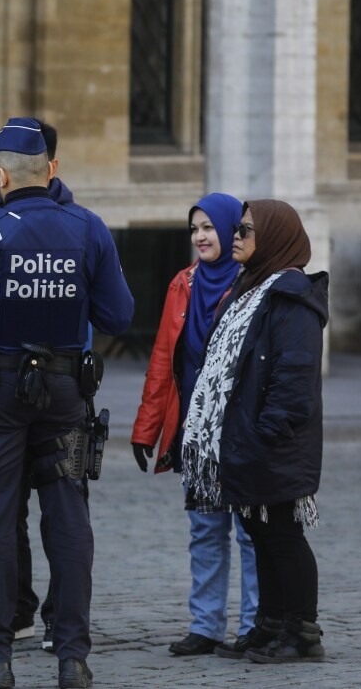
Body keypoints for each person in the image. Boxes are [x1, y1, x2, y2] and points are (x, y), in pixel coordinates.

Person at [0, 118, 134, 689]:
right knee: (68, 517)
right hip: (66, 392)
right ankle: (72, 657)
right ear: (51, 170)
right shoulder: (88, 228)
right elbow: (118, 315)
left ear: (0, 175)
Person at [181, 199, 328, 664]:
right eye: (238, 228)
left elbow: (295, 374)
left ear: (274, 238)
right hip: (245, 439)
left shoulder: (291, 296)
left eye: (246, 230)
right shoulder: (251, 288)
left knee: (282, 535)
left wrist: (267, 432)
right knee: (259, 530)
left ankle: (302, 632)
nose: (236, 237)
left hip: (273, 442)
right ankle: (269, 625)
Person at [129, 193, 259, 658]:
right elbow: (164, 359)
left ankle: (253, 627)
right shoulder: (182, 284)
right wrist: (146, 428)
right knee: (205, 529)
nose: (200, 237)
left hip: (239, 432)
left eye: (208, 228)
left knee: (249, 533)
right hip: (196, 431)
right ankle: (205, 626)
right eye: (194, 229)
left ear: (229, 230)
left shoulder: (253, 283)